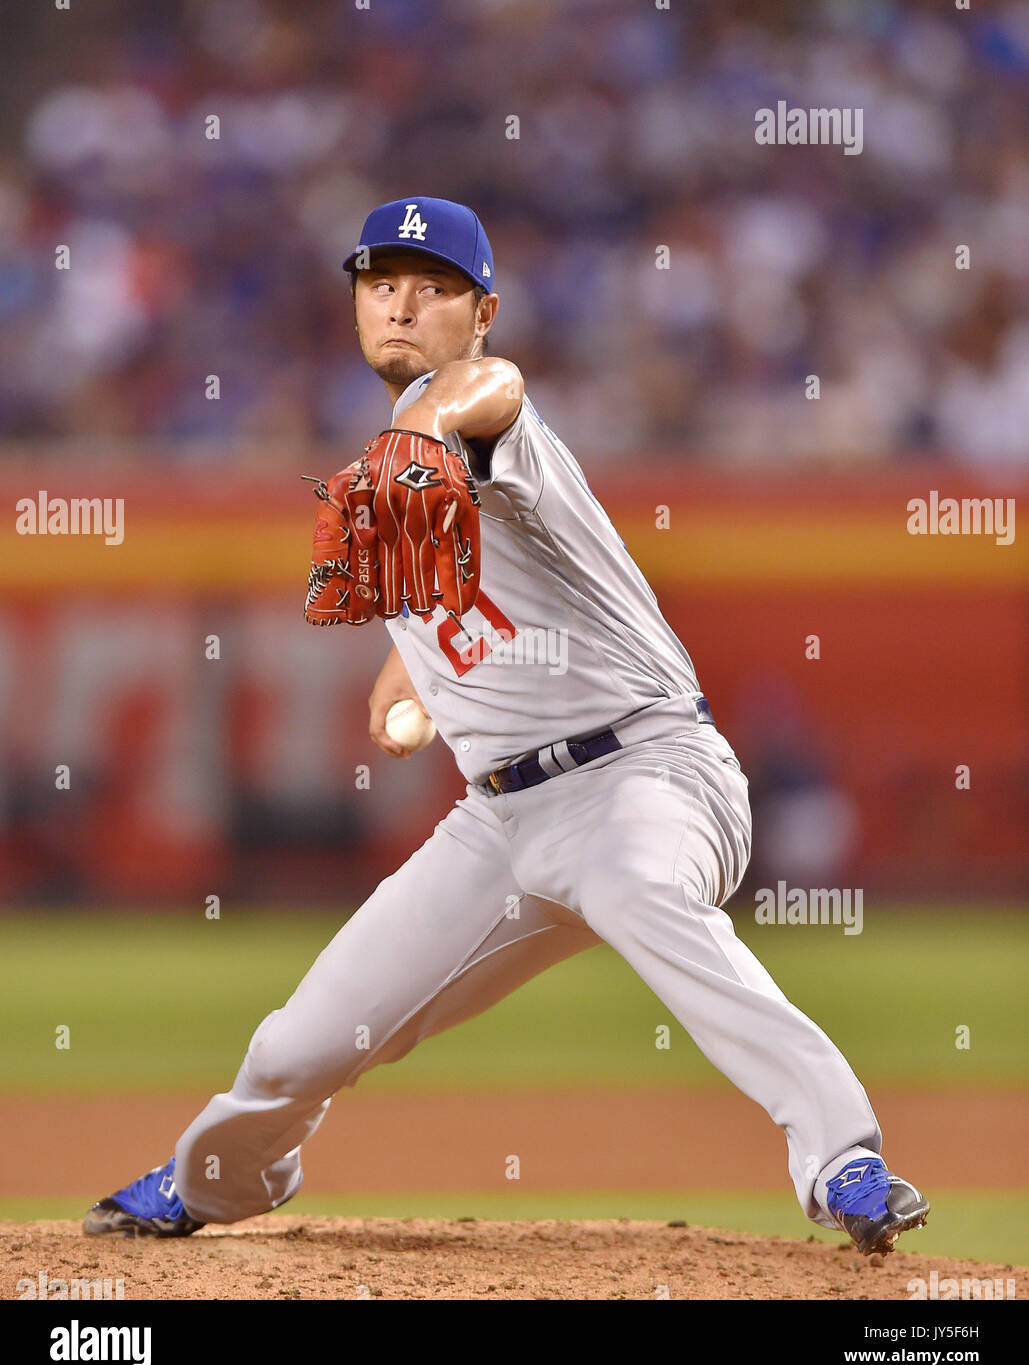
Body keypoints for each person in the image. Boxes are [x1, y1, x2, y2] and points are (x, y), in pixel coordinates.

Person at [84, 197, 928, 1258]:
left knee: (636, 887)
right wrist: (401, 705)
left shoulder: (477, 413)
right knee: (300, 1042)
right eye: (379, 282)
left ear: (482, 311)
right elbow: (421, 649)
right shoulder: (388, 491)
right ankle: (220, 1178)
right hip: (500, 825)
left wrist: (426, 426)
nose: (400, 301)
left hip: (651, 772)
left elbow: (493, 393)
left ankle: (841, 1152)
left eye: (432, 286)